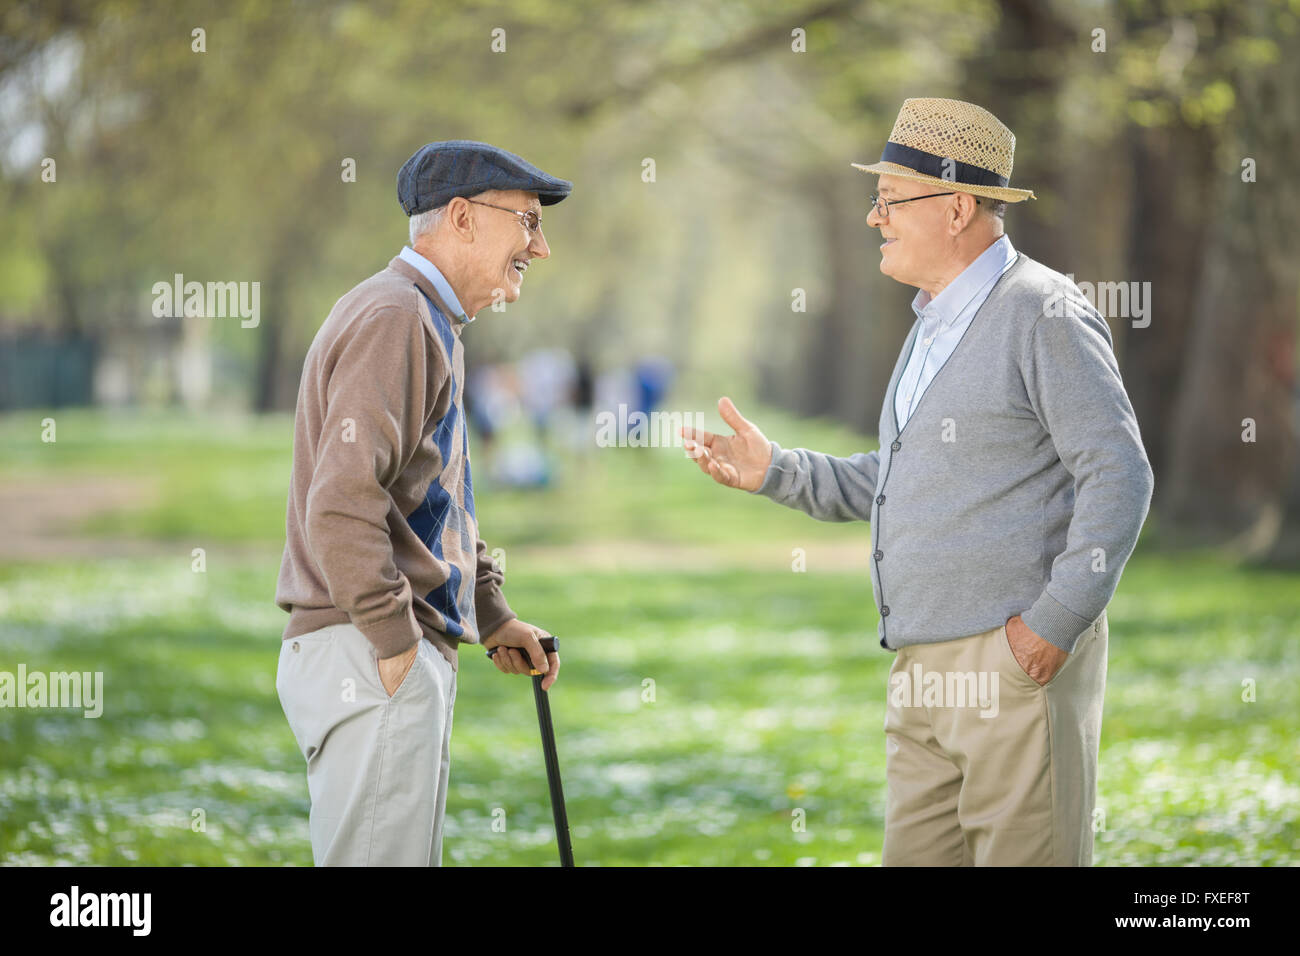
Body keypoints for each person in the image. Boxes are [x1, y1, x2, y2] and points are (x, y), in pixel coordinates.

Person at [682, 98, 1154, 866]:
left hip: (1012, 663)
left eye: (891, 200)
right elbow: (901, 481)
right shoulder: (930, 323)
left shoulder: (1046, 313)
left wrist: (1051, 627)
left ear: (958, 207)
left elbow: (1119, 473)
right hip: (919, 674)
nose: (875, 218)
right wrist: (779, 472)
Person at [274, 140, 570, 866]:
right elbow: (342, 501)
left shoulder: (425, 319)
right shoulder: (398, 318)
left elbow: (430, 496)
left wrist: (491, 614)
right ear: (463, 218)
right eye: (527, 222)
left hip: (382, 648)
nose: (542, 246)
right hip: (370, 648)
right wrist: (397, 643)